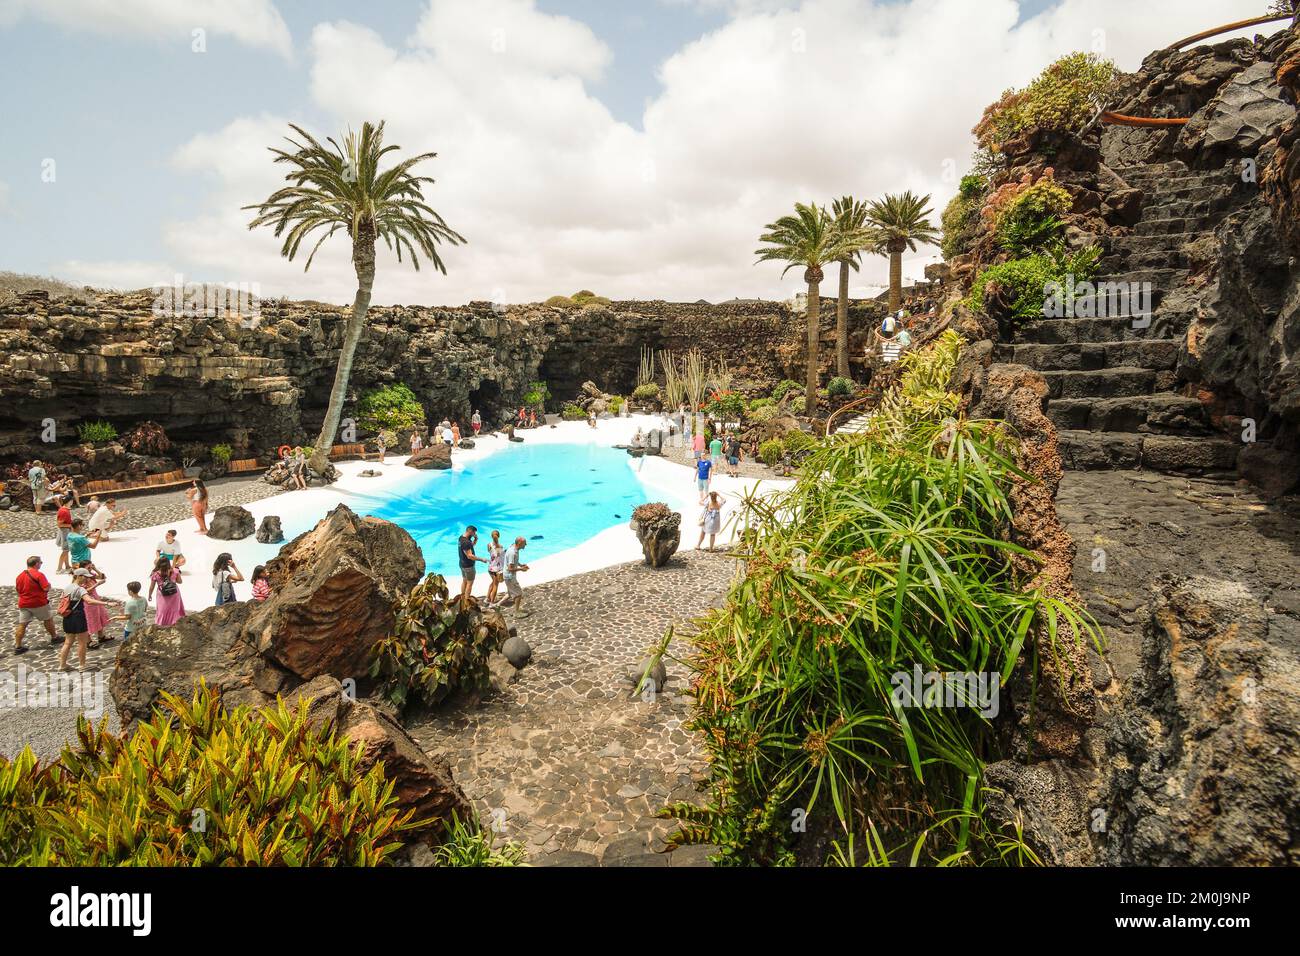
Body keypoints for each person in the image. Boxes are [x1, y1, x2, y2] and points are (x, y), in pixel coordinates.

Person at [57, 568, 109, 673]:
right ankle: (82, 665)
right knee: (82, 642)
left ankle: (62, 665)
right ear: (79, 576)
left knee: (67, 643)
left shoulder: (67, 588)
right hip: (78, 618)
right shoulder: (80, 589)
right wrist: (107, 603)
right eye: (85, 577)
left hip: (67, 618)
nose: (87, 579)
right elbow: (89, 601)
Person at [14, 555, 57, 653]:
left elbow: (18, 589)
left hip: (24, 603)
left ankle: (18, 646)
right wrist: (49, 586)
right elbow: (46, 588)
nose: (41, 564)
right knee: (48, 619)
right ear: (36, 563)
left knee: (22, 624)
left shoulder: (19, 576)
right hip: (38, 602)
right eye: (40, 562)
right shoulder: (39, 575)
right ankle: (54, 637)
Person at [148, 556, 186, 626]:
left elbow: (151, 587)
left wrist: (150, 595)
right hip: (174, 593)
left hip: (162, 594)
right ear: (169, 563)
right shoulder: (175, 570)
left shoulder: (155, 574)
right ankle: (174, 622)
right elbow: (180, 582)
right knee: (174, 609)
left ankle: (162, 623)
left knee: (162, 610)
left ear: (159, 564)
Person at [83, 565, 112, 648]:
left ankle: (101, 636)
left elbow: (103, 577)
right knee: (89, 619)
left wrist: (95, 569)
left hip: (95, 598)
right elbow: (84, 591)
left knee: (99, 617)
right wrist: (97, 584)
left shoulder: (91, 574)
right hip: (88, 601)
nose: (90, 569)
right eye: (88, 567)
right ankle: (88, 641)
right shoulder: (81, 578)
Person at [457, 525, 486, 603]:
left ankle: (462, 597)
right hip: (468, 566)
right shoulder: (466, 542)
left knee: (464, 581)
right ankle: (467, 601)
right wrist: (481, 559)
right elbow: (469, 556)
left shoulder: (461, 538)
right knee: (469, 584)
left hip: (462, 564)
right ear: (470, 531)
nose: (474, 534)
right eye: (474, 532)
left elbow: (470, 547)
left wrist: (475, 539)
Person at [502, 536, 530, 616]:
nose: (526, 544)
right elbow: (510, 568)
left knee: (512, 593)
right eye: (525, 543)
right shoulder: (512, 553)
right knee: (518, 593)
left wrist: (521, 564)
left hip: (509, 576)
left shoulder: (514, 547)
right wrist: (521, 569)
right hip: (510, 576)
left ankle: (514, 609)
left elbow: (513, 561)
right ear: (520, 543)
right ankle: (517, 612)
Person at [485, 530, 505, 606]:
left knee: (493, 582)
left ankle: (487, 598)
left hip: (490, 567)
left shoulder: (488, 545)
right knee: (496, 585)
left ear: (491, 536)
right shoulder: (501, 546)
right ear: (499, 536)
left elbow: (491, 553)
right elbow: (501, 557)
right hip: (497, 569)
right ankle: (492, 602)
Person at [55, 498, 74, 573]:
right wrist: (71, 525)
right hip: (65, 531)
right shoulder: (64, 511)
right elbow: (60, 524)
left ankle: (67, 566)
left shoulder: (65, 509)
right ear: (70, 501)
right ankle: (59, 569)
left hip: (66, 530)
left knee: (66, 550)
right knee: (65, 550)